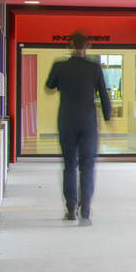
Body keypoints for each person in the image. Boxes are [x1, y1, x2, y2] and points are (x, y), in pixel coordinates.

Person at [45, 31, 111, 225]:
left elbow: (49, 86)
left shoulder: (60, 66)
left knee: (70, 165)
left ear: (70, 45)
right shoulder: (94, 68)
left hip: (66, 120)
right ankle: (86, 209)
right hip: (88, 121)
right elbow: (104, 95)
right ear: (88, 46)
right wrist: (107, 116)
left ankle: (71, 207)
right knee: (87, 165)